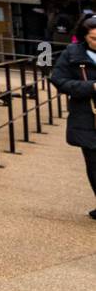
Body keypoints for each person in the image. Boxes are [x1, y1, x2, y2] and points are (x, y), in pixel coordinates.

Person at [50, 13, 96, 219]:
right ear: (84, 36)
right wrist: (90, 87)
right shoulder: (72, 53)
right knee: (94, 164)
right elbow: (58, 79)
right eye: (94, 38)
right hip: (87, 116)